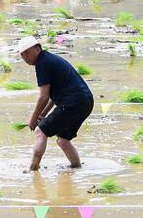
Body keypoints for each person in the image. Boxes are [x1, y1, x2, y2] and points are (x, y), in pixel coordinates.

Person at [17, 35, 93, 172]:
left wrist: (33, 119)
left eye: (27, 53)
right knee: (63, 139)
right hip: (85, 101)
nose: (25, 58)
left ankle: (33, 169)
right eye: (22, 55)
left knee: (40, 131)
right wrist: (43, 113)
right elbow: (53, 95)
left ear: (37, 48)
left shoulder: (42, 63)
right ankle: (77, 168)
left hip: (73, 102)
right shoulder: (49, 60)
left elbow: (43, 97)